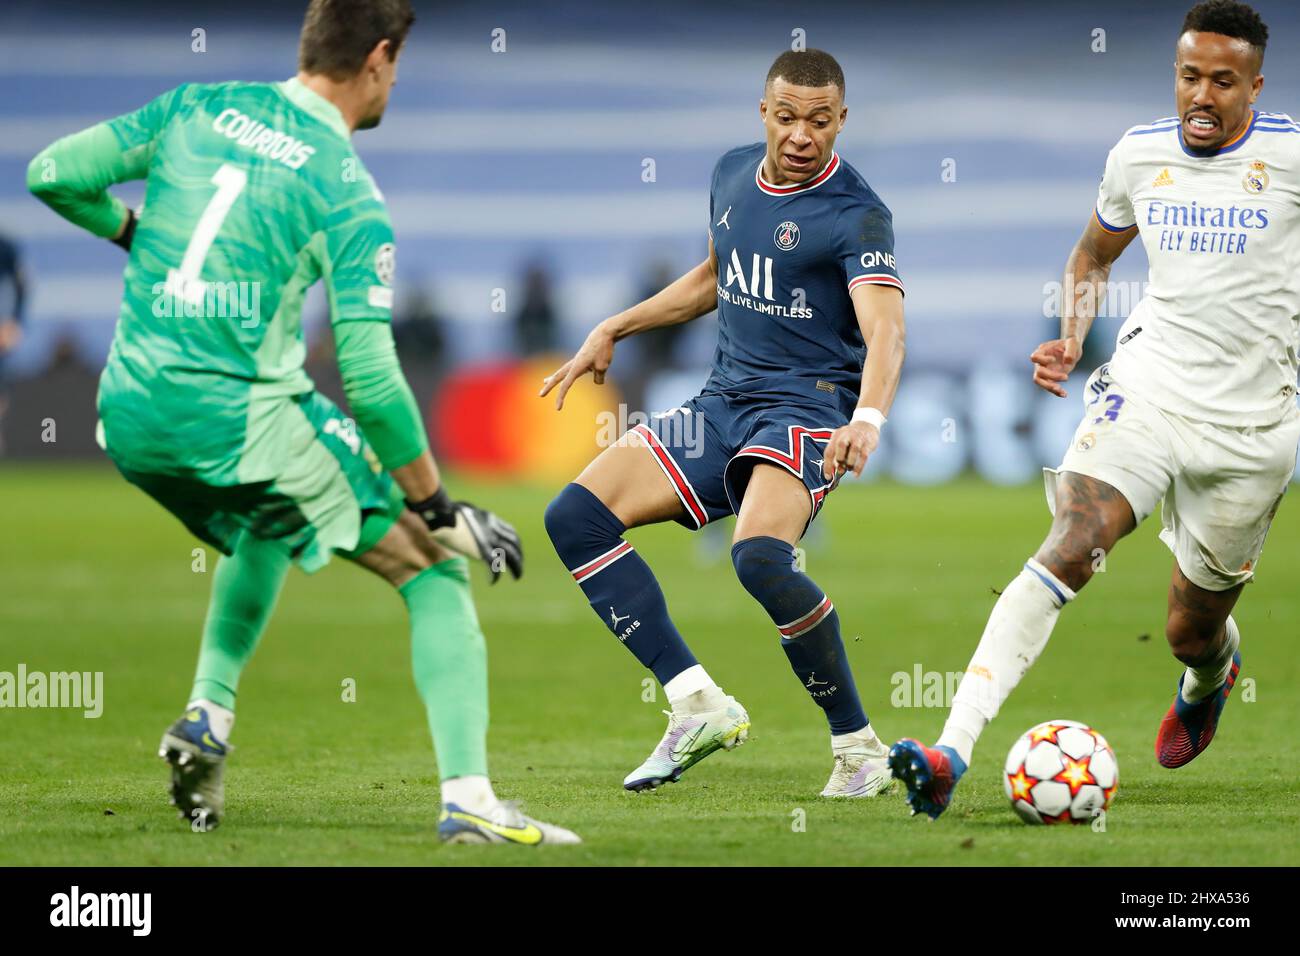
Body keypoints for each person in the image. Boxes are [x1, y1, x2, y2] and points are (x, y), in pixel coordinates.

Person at [27, 0, 577, 846]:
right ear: (380, 59)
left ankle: (207, 716)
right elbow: (370, 376)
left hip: (129, 413)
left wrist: (135, 232)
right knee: (434, 571)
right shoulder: (347, 192)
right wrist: (436, 505)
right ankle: (470, 798)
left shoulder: (194, 108)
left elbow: (53, 172)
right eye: (397, 65)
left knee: (271, 520)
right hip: (236, 416)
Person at [890, 0, 1300, 820]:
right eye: (1190, 75)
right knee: (1074, 543)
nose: (1202, 95)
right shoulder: (1139, 154)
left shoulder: (1291, 158)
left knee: (1192, 625)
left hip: (1254, 428)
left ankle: (1207, 678)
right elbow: (1092, 253)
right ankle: (950, 750)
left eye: (1224, 81)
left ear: (1255, 84)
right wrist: (1074, 333)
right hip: (1147, 389)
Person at [540, 49, 907, 797]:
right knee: (575, 517)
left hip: (805, 411)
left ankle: (858, 748)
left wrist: (866, 418)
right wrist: (617, 324)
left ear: (841, 120)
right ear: (763, 113)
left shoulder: (857, 214)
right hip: (721, 404)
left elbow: (887, 332)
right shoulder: (732, 174)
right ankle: (697, 703)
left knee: (760, 559)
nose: (801, 135)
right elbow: (713, 276)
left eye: (819, 121)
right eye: (786, 117)